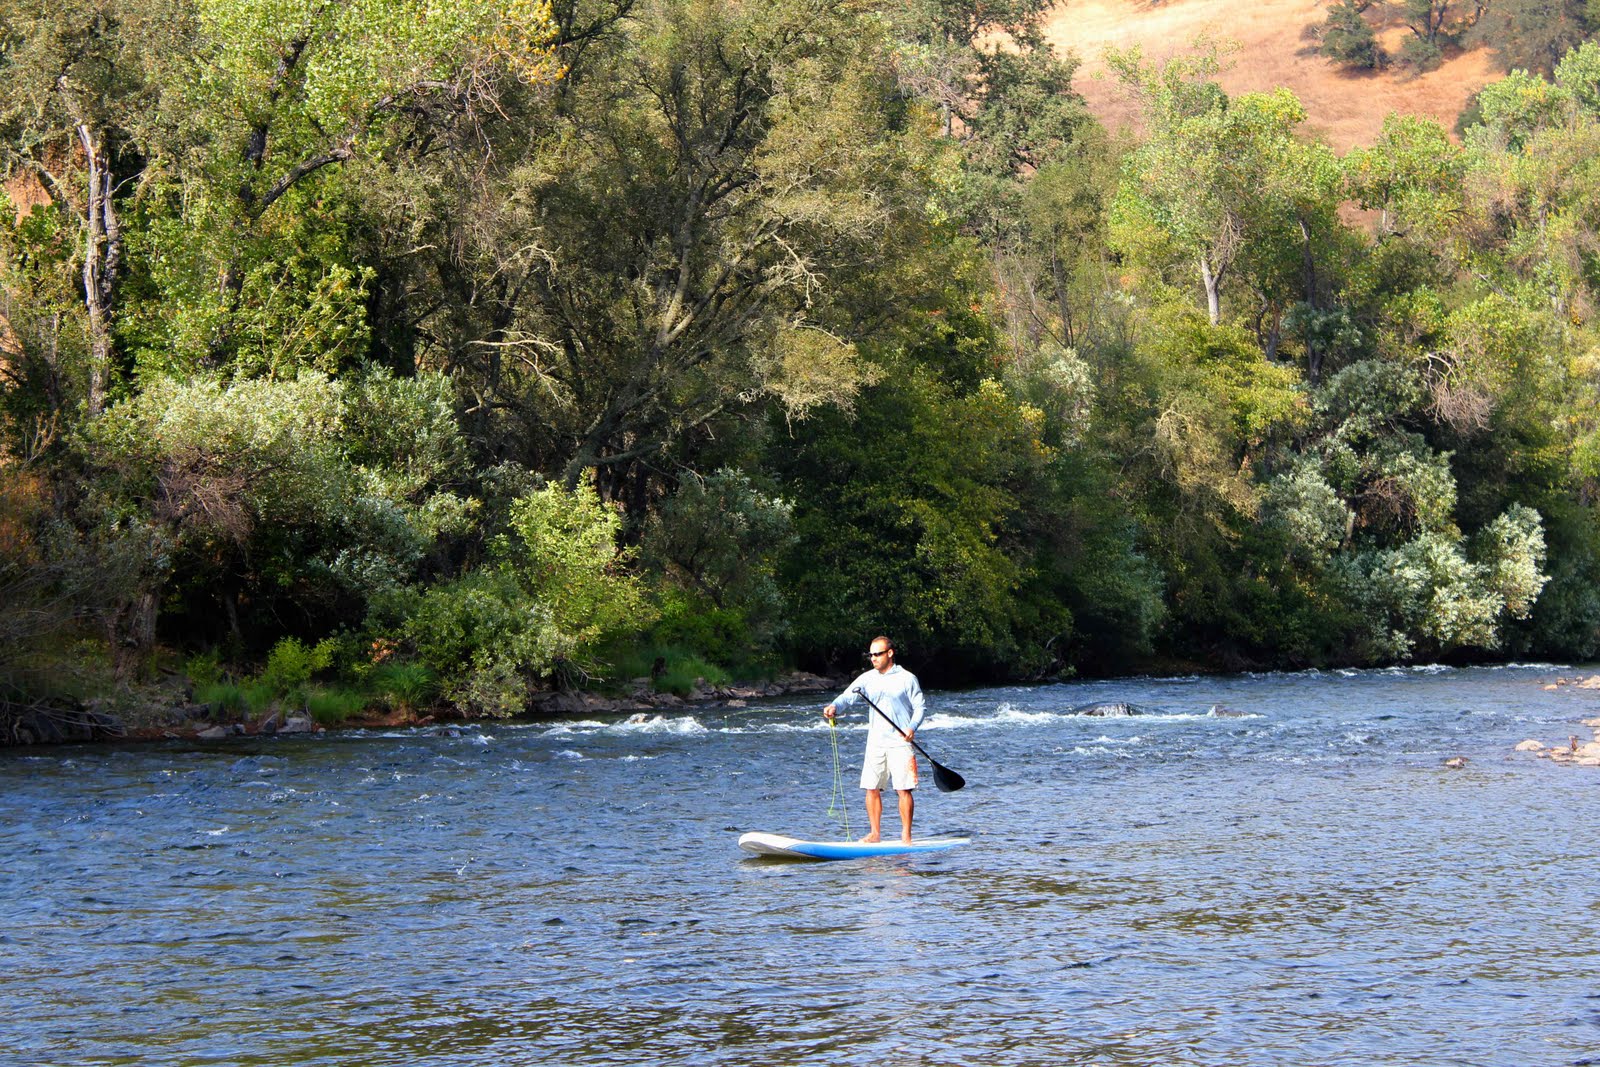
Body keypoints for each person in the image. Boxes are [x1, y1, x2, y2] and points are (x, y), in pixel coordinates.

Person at [822, 636, 925, 843]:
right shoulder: (867, 678)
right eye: (870, 655)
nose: (873, 659)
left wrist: (912, 727)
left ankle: (906, 836)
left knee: (902, 789)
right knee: (871, 787)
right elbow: (846, 697)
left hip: (900, 740)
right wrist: (834, 707)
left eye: (877, 654)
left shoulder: (907, 678)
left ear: (890, 653)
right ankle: (875, 834)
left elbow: (920, 707)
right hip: (876, 741)